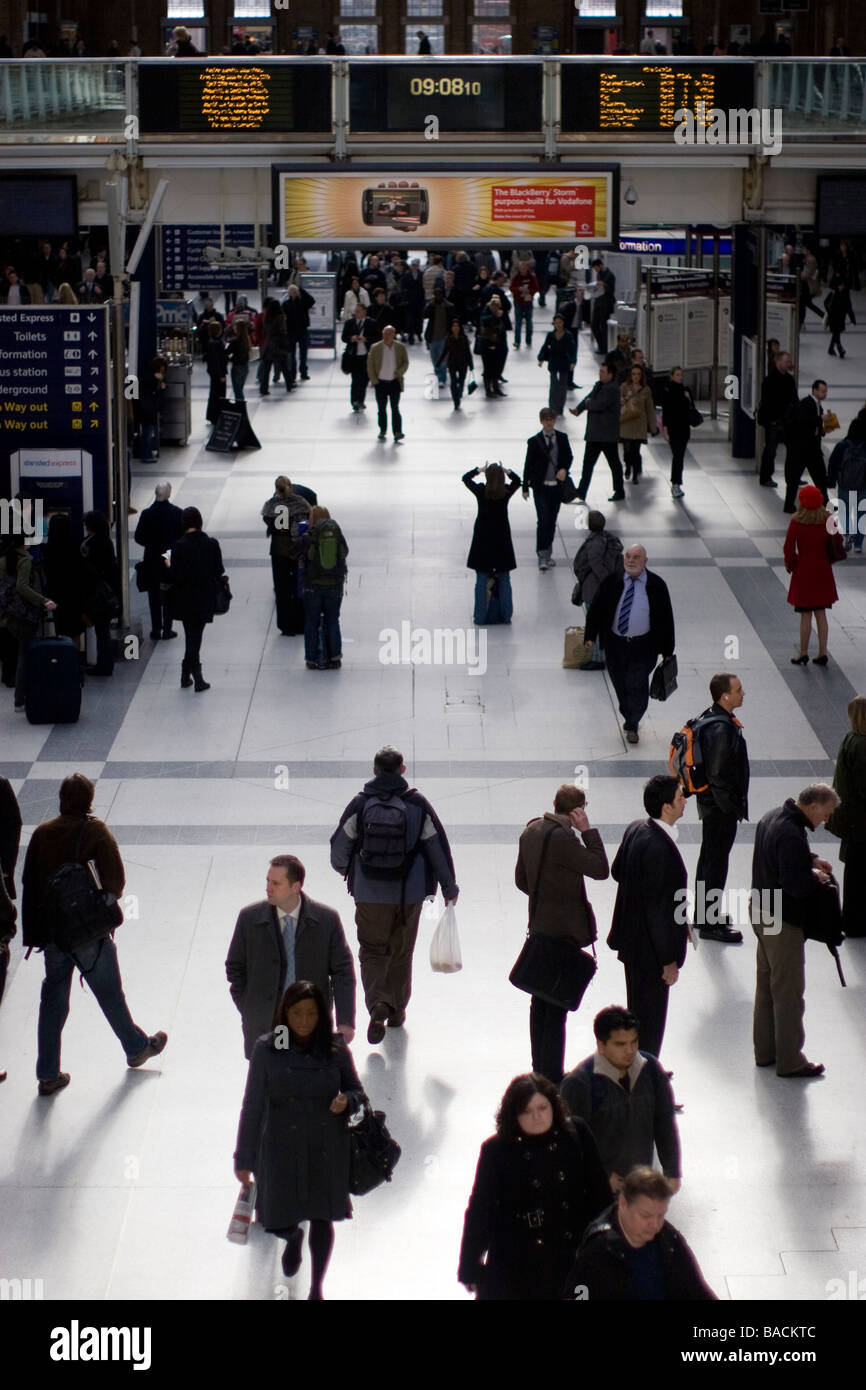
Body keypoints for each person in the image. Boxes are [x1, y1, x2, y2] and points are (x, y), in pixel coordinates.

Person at [21, 773, 167, 1095]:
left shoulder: (43, 833)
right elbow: (115, 882)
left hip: (54, 936)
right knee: (109, 993)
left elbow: (29, 886)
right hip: (87, 934)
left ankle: (47, 1074)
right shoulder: (95, 831)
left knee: (53, 1001)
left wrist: (36, 937)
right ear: (89, 801)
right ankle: (137, 1047)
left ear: (61, 799)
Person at [234, 980, 362, 1297]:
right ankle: (291, 1236)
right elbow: (253, 1104)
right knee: (275, 1214)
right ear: (285, 1014)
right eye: (296, 1013)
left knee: (322, 1217)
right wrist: (244, 1158)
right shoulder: (269, 1049)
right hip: (280, 1144)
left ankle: (317, 1286)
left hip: (325, 1145)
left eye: (310, 1014)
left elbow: (358, 1092)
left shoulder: (334, 1049)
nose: (304, 1021)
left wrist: (347, 1100)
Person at [330, 745, 459, 1043]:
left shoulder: (361, 804)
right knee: (401, 952)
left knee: (373, 951)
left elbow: (339, 850)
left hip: (369, 893)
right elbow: (436, 848)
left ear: (374, 770)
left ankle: (377, 1005)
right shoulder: (417, 805)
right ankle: (397, 1011)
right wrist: (448, 887)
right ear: (402, 770)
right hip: (408, 893)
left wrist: (351, 872)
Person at [458, 1073, 610, 1300]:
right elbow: (480, 1210)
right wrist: (470, 1265)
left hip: (571, 1256)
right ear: (513, 1115)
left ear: (554, 1106)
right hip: (516, 1262)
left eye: (542, 1107)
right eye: (527, 1111)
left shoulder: (575, 1134)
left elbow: (602, 1196)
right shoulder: (497, 1150)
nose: (537, 1116)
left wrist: (608, 1249)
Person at [515, 784, 609, 1083]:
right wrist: (587, 832)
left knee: (539, 1001)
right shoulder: (564, 838)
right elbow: (599, 868)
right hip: (562, 933)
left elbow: (521, 880)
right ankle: (552, 1075)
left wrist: (545, 896)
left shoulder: (531, 830)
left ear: (553, 802)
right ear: (579, 810)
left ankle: (538, 1068)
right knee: (556, 1006)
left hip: (540, 927)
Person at [226, 855, 356, 1059]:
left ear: (296, 886)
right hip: (267, 1023)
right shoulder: (249, 919)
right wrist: (249, 1007)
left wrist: (345, 1021)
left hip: (310, 1022)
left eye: (276, 883)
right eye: (268, 881)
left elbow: (343, 972)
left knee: (308, 1078)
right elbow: (235, 967)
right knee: (275, 1078)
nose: (268, 888)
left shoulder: (326, 920)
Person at [751, 785, 839, 1078]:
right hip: (782, 918)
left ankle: (765, 1052)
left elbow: (780, 856)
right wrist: (817, 877)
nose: (825, 821)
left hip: (760, 909)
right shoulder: (791, 832)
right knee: (789, 992)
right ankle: (790, 1060)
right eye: (826, 814)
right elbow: (796, 885)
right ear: (813, 806)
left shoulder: (774, 816)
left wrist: (810, 859)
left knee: (766, 986)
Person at [609, 777, 689, 1059]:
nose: (685, 802)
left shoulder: (637, 828)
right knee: (651, 1021)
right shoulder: (660, 849)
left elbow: (618, 870)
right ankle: (646, 1077)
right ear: (666, 806)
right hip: (651, 952)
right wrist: (669, 959)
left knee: (638, 1014)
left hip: (632, 943)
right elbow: (658, 912)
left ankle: (641, 1069)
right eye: (680, 798)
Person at [561, 1006, 681, 1193]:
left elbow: (664, 1121)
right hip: (599, 1192)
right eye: (620, 1044)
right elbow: (569, 1142)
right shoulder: (579, 1084)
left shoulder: (651, 1070)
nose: (630, 1050)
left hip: (641, 1188)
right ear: (601, 1045)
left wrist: (672, 1170)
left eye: (634, 1042)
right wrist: (601, 1175)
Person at [567, 1167, 716, 1301]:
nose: (655, 1224)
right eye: (646, 1216)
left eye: (661, 1215)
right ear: (623, 1203)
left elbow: (697, 1290)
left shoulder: (669, 1240)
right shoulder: (597, 1252)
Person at [584, 544, 675, 744]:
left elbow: (666, 617)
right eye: (628, 556)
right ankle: (628, 713)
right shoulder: (612, 581)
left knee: (637, 682)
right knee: (620, 682)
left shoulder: (656, 585)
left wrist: (668, 649)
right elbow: (597, 609)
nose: (631, 560)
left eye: (636, 557)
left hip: (644, 646)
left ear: (645, 561)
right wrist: (590, 635)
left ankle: (633, 722)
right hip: (616, 644)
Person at [692, 674, 749, 944]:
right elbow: (717, 774)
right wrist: (731, 805)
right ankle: (710, 923)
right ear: (724, 695)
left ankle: (704, 914)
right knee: (716, 862)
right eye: (738, 690)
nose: (743, 693)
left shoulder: (712, 716)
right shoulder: (721, 728)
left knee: (709, 858)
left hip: (709, 804)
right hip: (718, 807)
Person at [164, 506, 225, 692]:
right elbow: (219, 570)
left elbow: (174, 575)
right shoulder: (211, 544)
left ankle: (188, 675)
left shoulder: (178, 546)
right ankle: (195, 677)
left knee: (192, 636)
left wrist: (168, 563)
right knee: (195, 637)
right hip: (205, 597)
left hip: (185, 598)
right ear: (199, 521)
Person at [784, 485, 838, 666]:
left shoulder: (797, 521)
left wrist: (790, 565)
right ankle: (823, 652)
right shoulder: (828, 520)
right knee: (821, 613)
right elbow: (837, 541)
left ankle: (804, 652)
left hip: (804, 572)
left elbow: (789, 548)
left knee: (805, 615)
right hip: (823, 571)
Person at [463, 464, 521, 625]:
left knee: (481, 579)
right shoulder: (505, 492)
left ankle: (480, 617)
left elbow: (465, 479)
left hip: (483, 540)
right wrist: (507, 471)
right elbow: (518, 481)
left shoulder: (482, 491)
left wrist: (478, 470)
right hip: (502, 541)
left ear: (487, 477)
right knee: (504, 579)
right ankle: (506, 615)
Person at [829, 697, 866, 936]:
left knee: (855, 870)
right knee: (859, 871)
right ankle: (854, 921)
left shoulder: (850, 739)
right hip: (860, 820)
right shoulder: (862, 746)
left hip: (851, 818)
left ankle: (852, 918)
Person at [522, 407, 574, 571]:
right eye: (546, 420)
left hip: (556, 487)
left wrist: (564, 469)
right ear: (541, 421)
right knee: (543, 520)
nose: (549, 423)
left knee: (551, 521)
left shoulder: (562, 438)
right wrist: (525, 487)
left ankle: (548, 552)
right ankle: (542, 554)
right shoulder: (534, 441)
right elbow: (528, 464)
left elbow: (568, 456)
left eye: (551, 419)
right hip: (540, 487)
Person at [297, 506, 348, 671]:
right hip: (334, 584)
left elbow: (300, 556)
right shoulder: (335, 533)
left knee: (312, 622)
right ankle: (335, 657)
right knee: (332, 620)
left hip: (312, 586)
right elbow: (344, 552)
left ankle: (312, 658)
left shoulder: (307, 537)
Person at [572, 510, 623, 671]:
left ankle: (598, 659)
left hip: (594, 589)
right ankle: (607, 656)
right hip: (605, 589)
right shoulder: (611, 540)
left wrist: (606, 582)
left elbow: (595, 564)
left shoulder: (595, 543)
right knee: (604, 623)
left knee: (595, 624)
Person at [134, 483, 184, 641]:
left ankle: (156, 629)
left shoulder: (146, 513)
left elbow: (138, 537)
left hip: (151, 559)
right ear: (169, 494)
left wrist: (151, 544)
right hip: (169, 558)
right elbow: (181, 537)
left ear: (155, 494)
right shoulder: (177, 513)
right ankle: (168, 630)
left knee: (153, 595)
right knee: (169, 594)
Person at [261, 476, 310, 636]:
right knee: (298, 587)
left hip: (278, 551)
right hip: (296, 551)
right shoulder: (300, 502)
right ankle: (300, 623)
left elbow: (266, 519)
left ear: (276, 488)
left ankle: (285, 625)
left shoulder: (271, 504)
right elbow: (305, 523)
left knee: (282, 589)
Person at [570, 363, 625, 502]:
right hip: (595, 434)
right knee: (587, 465)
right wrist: (579, 409)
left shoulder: (612, 389)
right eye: (600, 371)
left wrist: (588, 404)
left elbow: (599, 404)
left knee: (614, 464)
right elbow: (590, 397)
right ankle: (581, 492)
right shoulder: (599, 385)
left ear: (610, 375)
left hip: (607, 435)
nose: (600, 373)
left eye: (603, 372)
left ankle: (619, 490)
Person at [80, 510, 120, 677]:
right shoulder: (107, 542)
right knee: (104, 630)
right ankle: (106, 663)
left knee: (101, 631)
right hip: (108, 593)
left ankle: (103, 665)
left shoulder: (89, 544)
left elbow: (86, 571)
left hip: (96, 593)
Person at [784, 380, 830, 513]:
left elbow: (813, 427)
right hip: (801, 450)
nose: (824, 393)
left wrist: (822, 430)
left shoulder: (817, 406)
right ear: (814, 390)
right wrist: (821, 418)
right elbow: (804, 423)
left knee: (820, 477)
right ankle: (789, 504)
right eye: (822, 391)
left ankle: (825, 501)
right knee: (794, 478)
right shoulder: (805, 404)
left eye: (825, 391)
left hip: (813, 449)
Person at [757, 350, 797, 489]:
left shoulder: (789, 380)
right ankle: (765, 476)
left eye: (789, 362)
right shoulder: (769, 381)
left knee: (793, 449)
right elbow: (766, 402)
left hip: (787, 422)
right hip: (774, 422)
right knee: (770, 450)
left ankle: (792, 476)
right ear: (778, 362)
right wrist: (771, 419)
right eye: (786, 362)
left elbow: (794, 400)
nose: (789, 364)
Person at [367, 324, 408, 442]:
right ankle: (383, 429)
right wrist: (374, 380)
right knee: (381, 408)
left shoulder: (400, 347)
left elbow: (405, 362)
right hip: (380, 383)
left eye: (390, 333)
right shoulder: (375, 347)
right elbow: (370, 365)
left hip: (394, 382)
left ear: (394, 334)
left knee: (395, 408)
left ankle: (397, 431)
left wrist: (399, 373)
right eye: (385, 333)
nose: (387, 336)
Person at [660, 366, 696, 499]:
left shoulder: (686, 390)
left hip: (684, 428)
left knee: (679, 456)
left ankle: (676, 483)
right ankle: (675, 483)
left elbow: (692, 408)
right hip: (673, 428)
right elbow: (666, 411)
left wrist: (688, 399)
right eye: (677, 375)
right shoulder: (668, 390)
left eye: (681, 375)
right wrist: (665, 430)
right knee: (677, 456)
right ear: (672, 376)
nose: (680, 377)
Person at [619, 364, 657, 484]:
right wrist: (626, 398)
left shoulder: (646, 390)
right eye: (634, 374)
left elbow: (650, 408)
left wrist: (653, 426)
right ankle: (628, 465)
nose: (636, 377)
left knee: (636, 450)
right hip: (626, 422)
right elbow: (618, 402)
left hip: (639, 423)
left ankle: (635, 474)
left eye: (638, 374)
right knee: (627, 450)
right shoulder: (625, 387)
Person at [341, 303, 380, 413]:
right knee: (355, 379)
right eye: (356, 311)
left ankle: (361, 400)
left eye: (359, 311)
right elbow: (344, 337)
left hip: (366, 356)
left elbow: (377, 338)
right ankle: (354, 401)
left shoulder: (371, 323)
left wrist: (366, 339)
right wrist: (351, 338)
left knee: (364, 380)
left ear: (364, 312)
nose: (356, 313)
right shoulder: (350, 323)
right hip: (353, 355)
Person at [537, 313, 576, 417]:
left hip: (564, 364)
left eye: (560, 323)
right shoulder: (550, 335)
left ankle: (559, 408)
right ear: (553, 324)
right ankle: (552, 408)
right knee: (554, 386)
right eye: (556, 323)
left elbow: (572, 349)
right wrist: (541, 358)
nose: (558, 325)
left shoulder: (568, 336)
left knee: (562, 387)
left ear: (563, 323)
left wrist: (573, 361)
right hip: (553, 363)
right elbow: (545, 347)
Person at [437, 318, 474, 409]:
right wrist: (439, 362)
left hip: (463, 363)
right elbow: (445, 351)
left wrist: (471, 364)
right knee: (453, 382)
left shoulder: (464, 338)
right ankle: (455, 400)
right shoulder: (449, 338)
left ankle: (459, 393)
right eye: (454, 326)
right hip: (452, 362)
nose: (455, 328)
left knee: (461, 381)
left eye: (457, 326)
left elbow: (467, 352)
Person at [424, 285, 455, 389]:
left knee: (442, 359)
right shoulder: (431, 306)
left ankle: (442, 378)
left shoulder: (449, 307)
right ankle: (438, 373)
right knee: (434, 358)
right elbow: (424, 315)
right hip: (432, 337)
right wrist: (430, 305)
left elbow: (453, 320)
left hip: (444, 337)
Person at [283, 282, 315, 382]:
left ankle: (303, 372)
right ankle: (293, 373)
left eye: (295, 291)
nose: (293, 293)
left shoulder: (303, 302)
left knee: (303, 353)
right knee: (292, 354)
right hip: (291, 331)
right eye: (291, 291)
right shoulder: (286, 304)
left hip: (302, 330)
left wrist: (301, 289)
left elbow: (312, 301)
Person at [477, 295, 507, 398]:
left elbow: (504, 327)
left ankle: (495, 387)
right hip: (487, 345)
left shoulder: (499, 314)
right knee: (488, 368)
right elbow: (484, 323)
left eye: (497, 307)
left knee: (496, 368)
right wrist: (496, 316)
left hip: (498, 345)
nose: (495, 309)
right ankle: (488, 389)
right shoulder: (486, 314)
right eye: (494, 307)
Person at [259, 300, 291, 397]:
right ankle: (289, 385)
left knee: (266, 369)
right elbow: (282, 331)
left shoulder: (266, 318)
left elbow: (264, 330)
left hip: (268, 345)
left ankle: (264, 388)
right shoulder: (280, 317)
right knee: (284, 367)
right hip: (278, 345)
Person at [509, 260, 539, 349]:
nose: (523, 269)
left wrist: (530, 292)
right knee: (518, 322)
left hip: (528, 302)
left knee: (529, 322)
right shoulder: (516, 277)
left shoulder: (531, 277)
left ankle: (528, 339)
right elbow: (511, 288)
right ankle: (517, 341)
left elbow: (536, 287)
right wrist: (519, 289)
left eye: (524, 267)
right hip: (518, 302)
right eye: (521, 268)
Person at [589, 257, 616, 355]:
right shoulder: (599, 275)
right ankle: (601, 346)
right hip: (599, 302)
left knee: (604, 326)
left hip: (606, 304)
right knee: (594, 325)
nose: (595, 270)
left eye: (596, 268)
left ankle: (604, 348)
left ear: (600, 266)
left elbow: (611, 290)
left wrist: (603, 285)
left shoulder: (610, 276)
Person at [825, 274, 855, 358]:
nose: (841, 287)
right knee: (836, 333)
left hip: (841, 317)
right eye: (840, 285)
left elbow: (849, 306)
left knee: (836, 333)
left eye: (842, 285)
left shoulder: (845, 294)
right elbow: (826, 302)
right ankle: (840, 348)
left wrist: (852, 319)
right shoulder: (833, 293)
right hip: (833, 317)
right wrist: (829, 311)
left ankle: (831, 349)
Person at [225, 319, 251, 401]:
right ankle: (241, 407)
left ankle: (241, 409)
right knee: (240, 389)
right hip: (245, 367)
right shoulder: (247, 340)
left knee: (238, 391)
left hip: (237, 367)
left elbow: (227, 352)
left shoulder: (235, 342)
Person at [400, 260, 425, 343]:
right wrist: (405, 299)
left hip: (419, 301)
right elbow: (403, 288)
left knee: (419, 318)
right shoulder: (406, 276)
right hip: (410, 301)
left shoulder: (421, 275)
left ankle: (418, 333)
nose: (414, 267)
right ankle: (411, 335)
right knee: (410, 319)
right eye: (413, 265)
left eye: (416, 265)